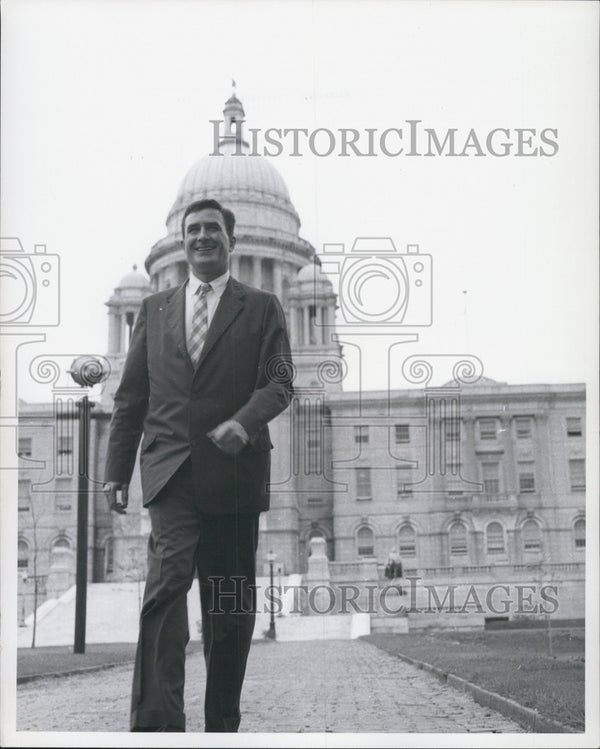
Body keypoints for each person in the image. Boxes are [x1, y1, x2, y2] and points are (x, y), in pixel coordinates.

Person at [103, 198, 293, 733]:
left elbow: (280, 382)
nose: (203, 237)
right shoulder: (155, 308)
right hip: (169, 476)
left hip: (233, 476)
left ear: (233, 241)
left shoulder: (263, 307)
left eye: (213, 229)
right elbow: (131, 397)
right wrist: (117, 468)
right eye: (193, 230)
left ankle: (221, 725)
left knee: (227, 610)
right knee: (164, 592)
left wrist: (245, 421)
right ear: (180, 242)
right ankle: (157, 723)